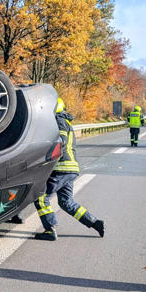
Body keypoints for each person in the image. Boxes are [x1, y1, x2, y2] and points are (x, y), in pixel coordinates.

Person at [32, 97, 105, 240]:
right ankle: (95, 222)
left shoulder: (59, 121)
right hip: (70, 169)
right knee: (66, 202)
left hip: (61, 168)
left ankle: (50, 230)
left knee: (40, 196)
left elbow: (61, 143)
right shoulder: (66, 121)